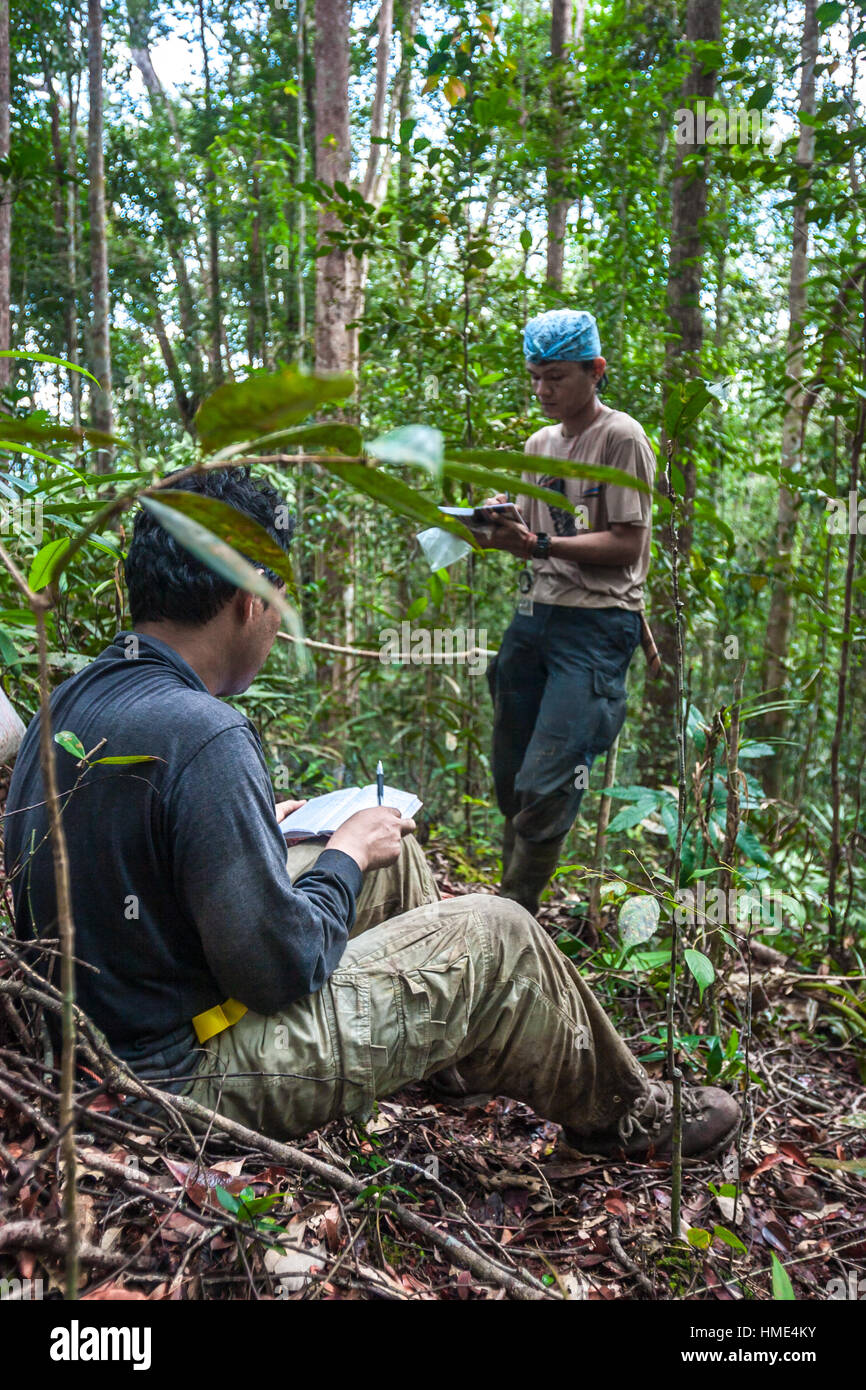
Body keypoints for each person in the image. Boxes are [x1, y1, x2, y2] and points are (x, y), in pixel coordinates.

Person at [3, 467, 738, 1159]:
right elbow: (275, 971)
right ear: (249, 599)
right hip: (179, 1080)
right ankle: (626, 1117)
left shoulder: (71, 699)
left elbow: (138, 844)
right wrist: (343, 854)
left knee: (399, 858)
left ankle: (451, 1055)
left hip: (97, 1044)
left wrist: (261, 821)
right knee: (501, 932)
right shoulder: (205, 730)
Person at [482, 308, 657, 916]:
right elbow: (533, 531)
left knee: (550, 777)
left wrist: (539, 545)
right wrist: (498, 525)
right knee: (511, 771)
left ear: (595, 371)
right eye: (535, 377)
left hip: (596, 624)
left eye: (555, 377)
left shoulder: (621, 438)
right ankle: (506, 900)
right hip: (535, 617)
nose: (542, 390)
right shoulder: (539, 444)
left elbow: (627, 544)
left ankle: (515, 909)